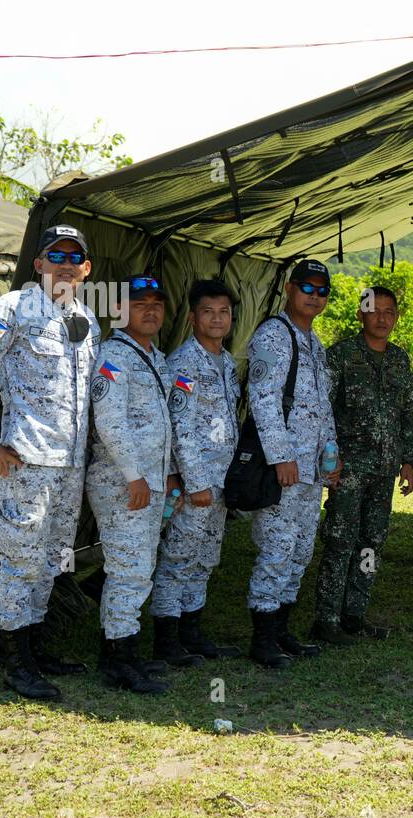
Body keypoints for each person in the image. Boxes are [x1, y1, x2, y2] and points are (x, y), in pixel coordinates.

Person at [0, 224, 100, 700]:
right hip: (27, 462)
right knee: (20, 562)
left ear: (86, 269)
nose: (64, 264)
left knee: (55, 561)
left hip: (71, 465)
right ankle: (15, 664)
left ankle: (36, 651)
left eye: (74, 257)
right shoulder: (13, 309)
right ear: (38, 264)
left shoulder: (87, 321)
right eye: (54, 255)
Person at [85, 275, 182, 693]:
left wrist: (169, 472)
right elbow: (109, 421)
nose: (150, 310)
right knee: (129, 571)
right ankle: (119, 663)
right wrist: (134, 476)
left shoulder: (155, 357)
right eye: (140, 303)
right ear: (120, 311)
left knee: (137, 570)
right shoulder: (113, 357)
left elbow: (162, 424)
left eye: (157, 304)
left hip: (150, 481)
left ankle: (122, 650)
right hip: (122, 483)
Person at [245, 260, 340, 667]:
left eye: (322, 291)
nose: (314, 296)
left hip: (312, 472)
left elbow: (322, 407)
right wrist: (280, 457)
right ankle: (263, 639)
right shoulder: (274, 334)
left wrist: (331, 457)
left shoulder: (315, 342)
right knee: (277, 548)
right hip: (284, 470)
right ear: (289, 288)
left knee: (300, 549)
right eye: (308, 288)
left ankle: (283, 630)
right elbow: (262, 398)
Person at [313, 286, 413, 644]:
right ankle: (326, 618)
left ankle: (354, 613)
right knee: (340, 539)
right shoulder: (340, 356)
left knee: (371, 542)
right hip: (348, 470)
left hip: (385, 470)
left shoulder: (400, 361)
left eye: (390, 312)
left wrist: (408, 460)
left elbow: (407, 414)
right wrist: (330, 458)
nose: (382, 318)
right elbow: (321, 412)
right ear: (361, 315)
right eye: (375, 311)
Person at [151, 278, 242, 661]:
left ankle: (192, 631)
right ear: (192, 318)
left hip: (221, 483)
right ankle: (166, 642)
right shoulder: (184, 364)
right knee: (178, 558)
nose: (217, 319)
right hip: (197, 484)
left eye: (224, 312)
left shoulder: (228, 363)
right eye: (208, 311)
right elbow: (180, 428)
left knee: (205, 558)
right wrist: (196, 482)